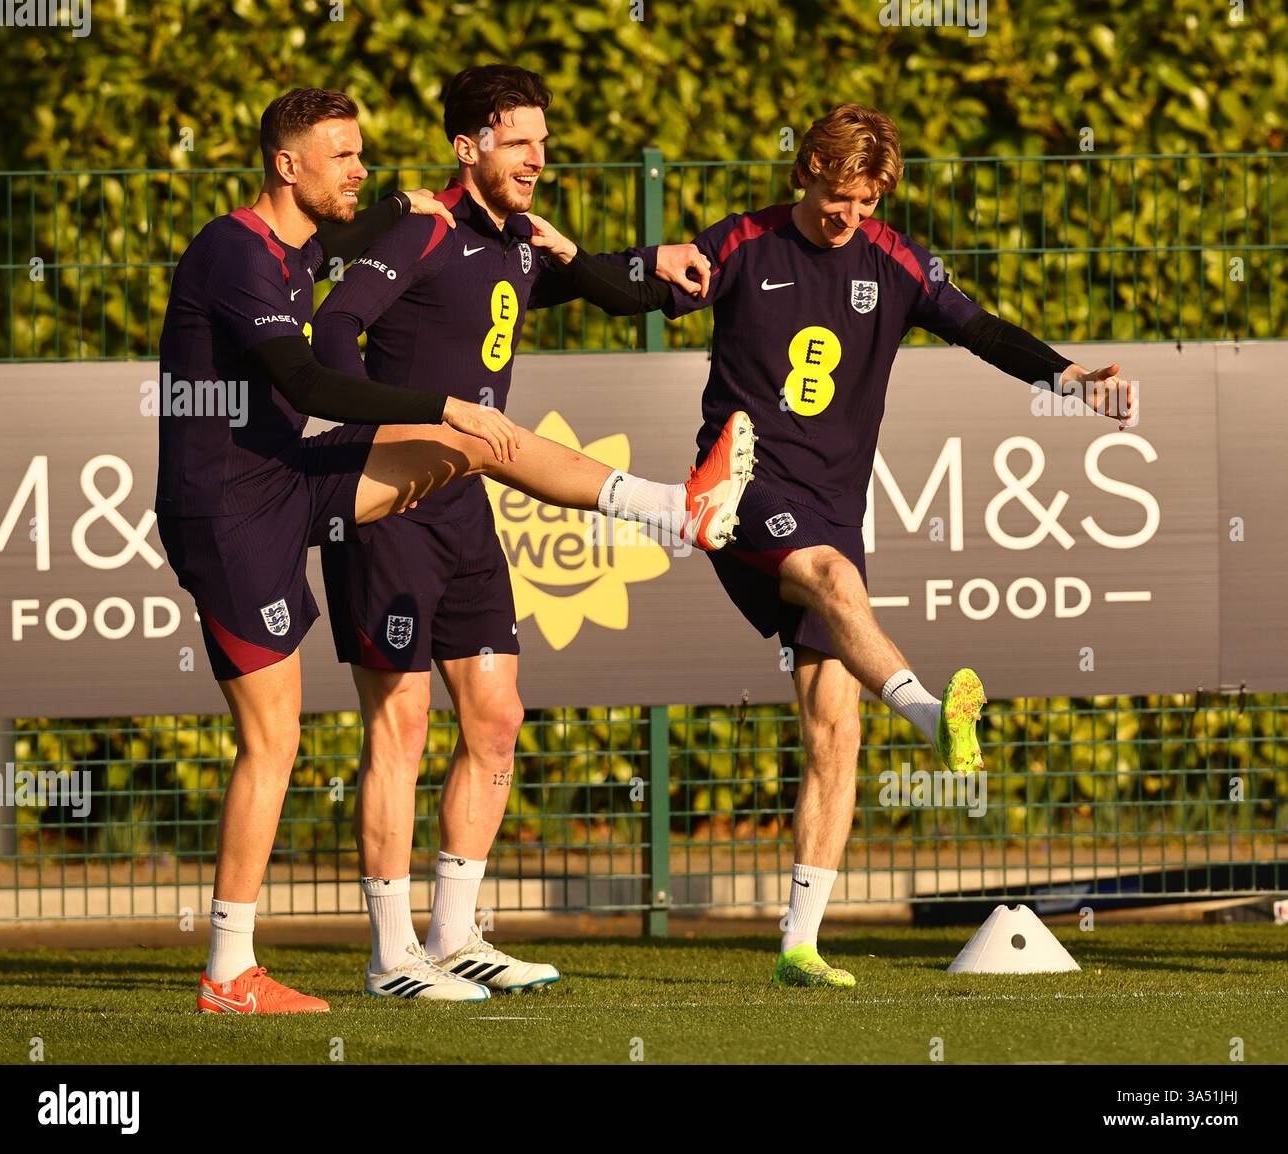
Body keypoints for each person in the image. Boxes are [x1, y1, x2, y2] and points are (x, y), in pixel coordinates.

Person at [157, 86, 755, 1013]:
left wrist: (646, 260)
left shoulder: (308, 244)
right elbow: (314, 366)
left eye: (362, 153)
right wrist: (438, 403)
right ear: (286, 163)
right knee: (275, 743)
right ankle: (244, 968)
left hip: (290, 477)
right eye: (344, 155)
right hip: (229, 513)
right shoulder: (232, 251)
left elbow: (531, 271)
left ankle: (675, 510)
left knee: (488, 688)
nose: (362, 168)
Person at [606, 103, 1136, 988]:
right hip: (741, 488)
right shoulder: (741, 241)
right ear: (805, 168)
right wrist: (563, 262)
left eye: (865, 199)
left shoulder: (894, 260)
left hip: (834, 501)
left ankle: (801, 946)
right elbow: (647, 290)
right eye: (837, 194)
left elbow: (981, 330)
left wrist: (1068, 376)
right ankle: (933, 716)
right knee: (833, 579)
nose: (848, 213)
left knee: (835, 730)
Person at [312, 64, 733, 1000]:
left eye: (543, 139)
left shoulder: (516, 242)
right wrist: (385, 422)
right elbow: (334, 330)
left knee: (496, 722)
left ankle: (457, 938)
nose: (538, 157)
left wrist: (652, 264)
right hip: (389, 501)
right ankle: (391, 960)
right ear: (469, 149)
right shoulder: (418, 227)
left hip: (466, 504)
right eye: (518, 140)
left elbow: (586, 284)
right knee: (403, 727)